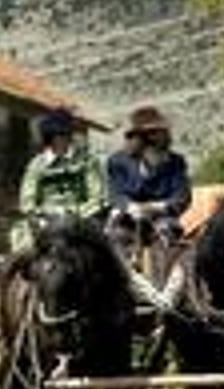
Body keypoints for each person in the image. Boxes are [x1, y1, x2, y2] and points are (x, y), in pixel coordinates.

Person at [104, 104, 193, 267]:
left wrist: (156, 207)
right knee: (112, 244)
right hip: (127, 220)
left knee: (174, 250)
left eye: (163, 133)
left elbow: (182, 197)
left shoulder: (176, 162)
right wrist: (130, 207)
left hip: (163, 219)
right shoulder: (117, 162)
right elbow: (114, 194)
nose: (163, 139)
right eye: (155, 134)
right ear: (141, 141)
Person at [13, 108, 104, 252]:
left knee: (105, 247)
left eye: (65, 134)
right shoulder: (37, 164)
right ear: (50, 137)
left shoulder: (88, 162)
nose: (63, 139)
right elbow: (27, 198)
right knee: (22, 245)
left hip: (79, 220)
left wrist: (77, 214)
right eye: (58, 135)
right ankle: (12, 271)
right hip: (45, 219)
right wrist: (36, 215)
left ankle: (127, 272)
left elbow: (96, 196)